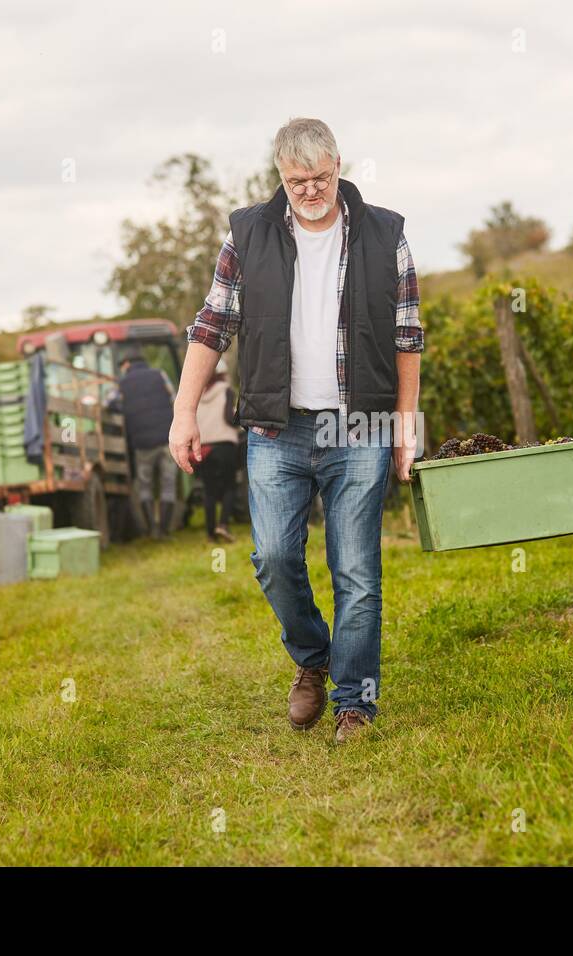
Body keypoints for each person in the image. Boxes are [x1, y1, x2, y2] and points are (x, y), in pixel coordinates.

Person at [169, 117, 422, 744]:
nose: (309, 190)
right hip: (275, 429)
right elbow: (210, 326)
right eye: (296, 181)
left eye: (320, 177)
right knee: (275, 558)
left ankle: (355, 702)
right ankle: (313, 658)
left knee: (356, 570)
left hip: (359, 424)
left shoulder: (385, 233)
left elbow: (408, 336)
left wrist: (405, 424)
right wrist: (183, 412)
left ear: (339, 164)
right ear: (278, 176)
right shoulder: (248, 233)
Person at [116, 354, 178, 539]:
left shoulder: (122, 383)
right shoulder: (159, 374)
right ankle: (164, 530)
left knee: (145, 485)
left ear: (127, 363)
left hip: (142, 444)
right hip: (166, 439)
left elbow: (110, 403)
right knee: (168, 483)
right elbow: (174, 398)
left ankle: (152, 529)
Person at [195, 357, 241, 543]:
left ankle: (210, 534)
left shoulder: (198, 394)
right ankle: (223, 525)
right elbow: (229, 418)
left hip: (204, 447)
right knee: (230, 487)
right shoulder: (226, 391)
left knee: (210, 491)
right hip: (225, 445)